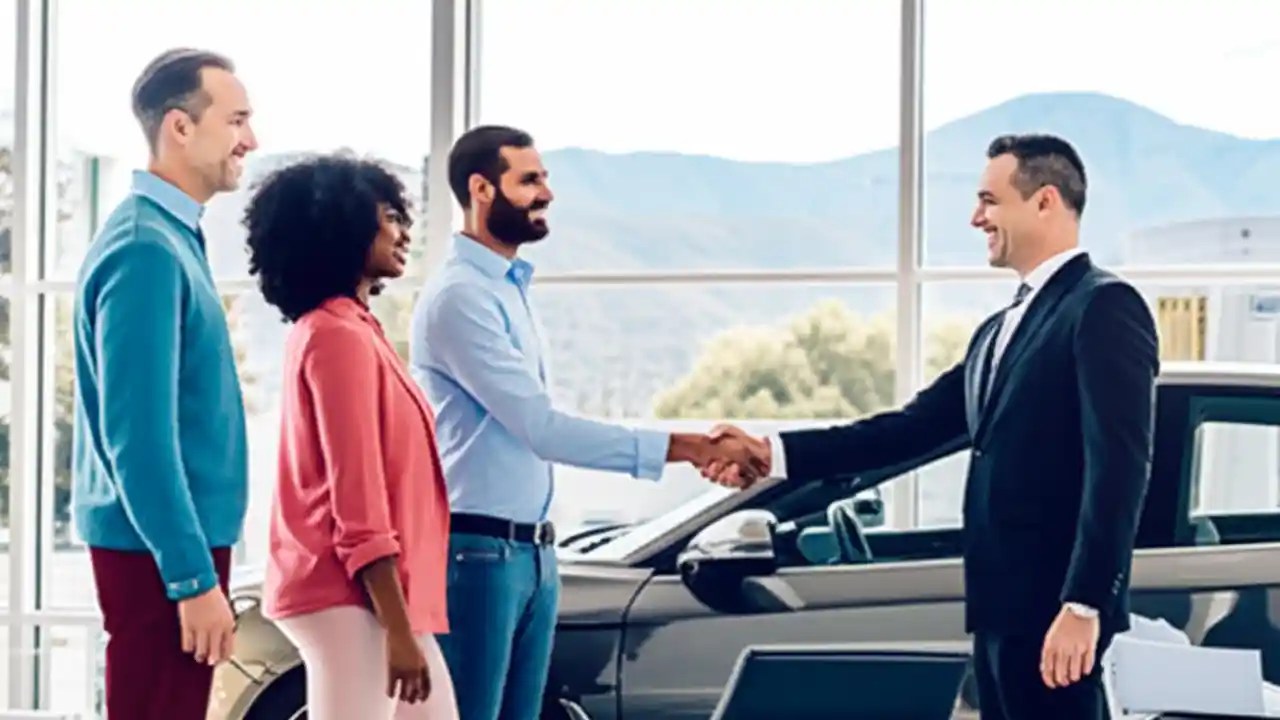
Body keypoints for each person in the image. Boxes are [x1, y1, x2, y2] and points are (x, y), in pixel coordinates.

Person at [708, 134, 1159, 719]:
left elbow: (1119, 466)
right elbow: (904, 432)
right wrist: (771, 451)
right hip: (1000, 614)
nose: (976, 218)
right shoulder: (999, 330)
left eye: (989, 201)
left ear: (1045, 201)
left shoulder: (1104, 307)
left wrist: (1085, 604)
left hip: (1057, 618)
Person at [410, 125, 761, 720]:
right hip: (477, 557)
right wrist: (693, 447)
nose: (547, 193)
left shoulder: (508, 289)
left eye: (545, 177)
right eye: (530, 180)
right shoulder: (460, 298)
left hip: (530, 555)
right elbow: (542, 428)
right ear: (481, 189)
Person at [70, 48, 258, 719]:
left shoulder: (170, 236)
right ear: (180, 127)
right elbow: (139, 439)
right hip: (160, 557)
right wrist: (190, 578)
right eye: (236, 120)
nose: (251, 140)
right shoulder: (147, 248)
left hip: (169, 550)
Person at [245, 154, 458, 720]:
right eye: (389, 215)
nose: (404, 230)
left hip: (375, 599)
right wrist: (396, 626)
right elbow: (357, 497)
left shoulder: (354, 329)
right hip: (350, 598)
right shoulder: (335, 336)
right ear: (340, 228)